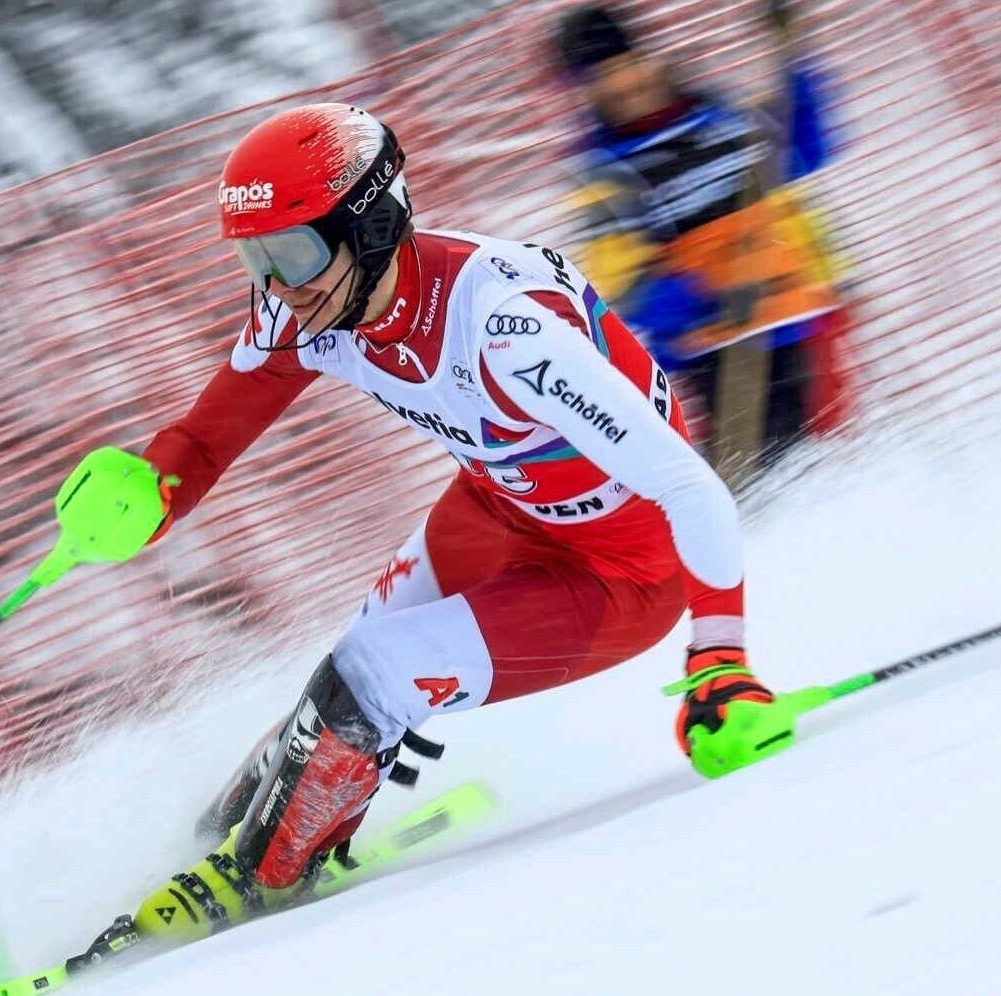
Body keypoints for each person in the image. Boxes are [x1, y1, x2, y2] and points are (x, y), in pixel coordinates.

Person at [53, 103, 775, 942]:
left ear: (372, 224)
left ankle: (264, 881)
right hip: (498, 512)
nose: (279, 285)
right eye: (257, 258)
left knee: (374, 671)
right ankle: (219, 841)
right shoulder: (307, 310)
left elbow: (692, 488)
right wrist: (144, 493)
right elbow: (206, 438)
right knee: (334, 696)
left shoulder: (509, 330)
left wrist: (720, 658)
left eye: (293, 252)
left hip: (619, 570)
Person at [556, 2, 851, 479]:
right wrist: (705, 298)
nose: (622, 85)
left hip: (799, 321)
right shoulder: (604, 173)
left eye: (626, 65)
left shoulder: (723, 116)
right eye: (601, 78)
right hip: (720, 355)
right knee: (766, 481)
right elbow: (623, 283)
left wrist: (792, 55)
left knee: (832, 463)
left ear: (646, 56)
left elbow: (807, 149)